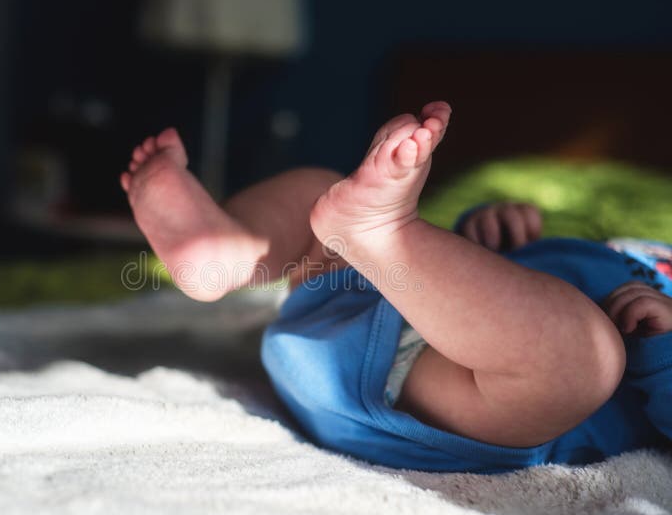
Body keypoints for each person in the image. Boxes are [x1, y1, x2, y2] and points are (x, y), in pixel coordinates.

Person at [119, 102, 672, 473]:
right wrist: (493, 234)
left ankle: (383, 232)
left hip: (452, 395)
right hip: (378, 300)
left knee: (584, 355)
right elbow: (511, 296)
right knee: (320, 193)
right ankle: (225, 251)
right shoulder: (639, 250)